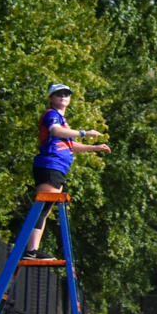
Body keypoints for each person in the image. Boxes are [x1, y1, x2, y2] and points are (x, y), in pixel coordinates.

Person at [24, 83, 110, 255]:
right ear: (50, 98)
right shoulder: (51, 115)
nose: (63, 96)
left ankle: (32, 250)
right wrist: (84, 133)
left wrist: (94, 148)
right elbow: (56, 131)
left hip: (58, 167)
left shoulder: (63, 121)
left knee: (46, 209)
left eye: (66, 94)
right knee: (42, 207)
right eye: (58, 94)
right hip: (50, 164)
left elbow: (69, 144)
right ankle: (31, 250)